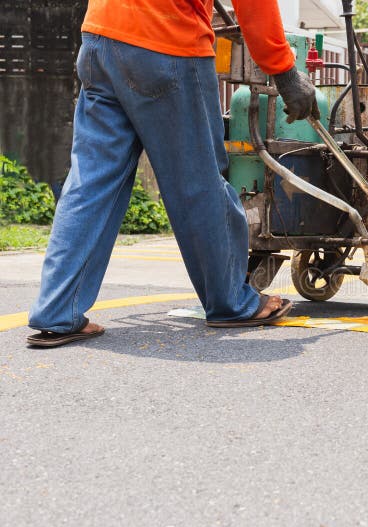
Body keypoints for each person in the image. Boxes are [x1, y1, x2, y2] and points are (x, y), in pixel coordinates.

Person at [26, 0, 318, 348]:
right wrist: (284, 71)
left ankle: (57, 311)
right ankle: (231, 303)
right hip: (166, 42)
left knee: (89, 183)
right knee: (198, 183)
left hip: (100, 37)